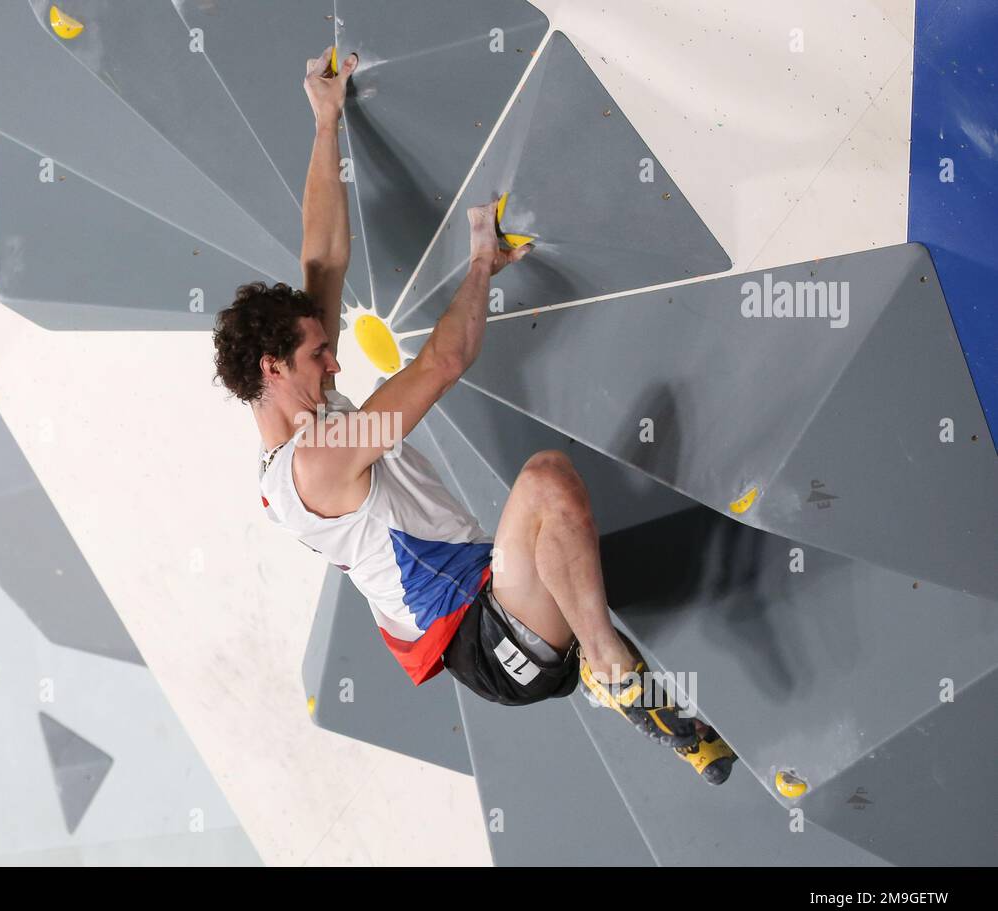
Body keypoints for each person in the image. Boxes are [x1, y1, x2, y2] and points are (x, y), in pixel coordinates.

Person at [212, 47, 734, 784]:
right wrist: (481, 266)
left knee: (548, 505)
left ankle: (598, 653)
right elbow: (441, 366)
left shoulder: (306, 408)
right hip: (487, 641)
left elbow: (322, 259)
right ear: (271, 369)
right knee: (547, 481)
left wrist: (326, 120)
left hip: (493, 593)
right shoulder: (316, 462)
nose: (335, 365)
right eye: (320, 357)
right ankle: (611, 670)